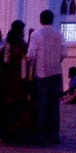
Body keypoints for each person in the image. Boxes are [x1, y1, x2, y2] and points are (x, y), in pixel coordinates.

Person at [27, 10, 65, 143]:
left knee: (42, 104)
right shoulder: (59, 33)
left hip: (42, 74)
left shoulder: (36, 34)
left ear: (40, 20)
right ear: (52, 20)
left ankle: (41, 134)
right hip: (56, 73)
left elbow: (31, 55)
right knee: (54, 105)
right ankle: (53, 134)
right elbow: (64, 53)